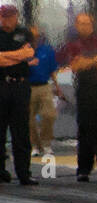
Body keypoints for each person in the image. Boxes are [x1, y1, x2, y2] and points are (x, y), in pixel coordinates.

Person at [60, 13, 97, 182]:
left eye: (88, 23)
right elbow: (76, 65)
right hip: (85, 90)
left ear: (92, 24)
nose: (85, 26)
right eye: (81, 24)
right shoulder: (73, 44)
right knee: (85, 130)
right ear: (77, 26)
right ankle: (84, 169)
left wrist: (92, 61)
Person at [0, 4, 38, 184]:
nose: (6, 20)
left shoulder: (24, 32)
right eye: (4, 17)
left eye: (10, 16)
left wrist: (7, 56)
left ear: (16, 16)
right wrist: (18, 55)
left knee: (21, 131)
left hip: (20, 85)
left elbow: (29, 53)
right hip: (2, 83)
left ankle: (24, 172)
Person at [26, 24, 62, 159]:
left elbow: (52, 69)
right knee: (29, 119)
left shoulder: (47, 50)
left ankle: (46, 143)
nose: (34, 38)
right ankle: (34, 145)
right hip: (27, 86)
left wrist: (57, 86)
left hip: (44, 85)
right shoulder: (23, 50)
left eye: (36, 36)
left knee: (49, 115)